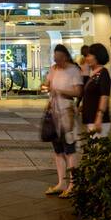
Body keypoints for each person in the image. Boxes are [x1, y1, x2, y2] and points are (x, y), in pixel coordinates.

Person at [43, 44, 84, 197]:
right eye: (55, 58)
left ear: (65, 57)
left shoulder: (73, 70)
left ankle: (73, 184)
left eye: (59, 58)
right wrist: (46, 87)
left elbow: (78, 92)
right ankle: (62, 183)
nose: (56, 61)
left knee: (69, 149)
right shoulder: (54, 69)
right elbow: (47, 84)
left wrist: (60, 91)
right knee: (58, 150)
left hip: (67, 113)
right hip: (53, 112)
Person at [79, 43, 111, 139]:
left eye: (89, 55)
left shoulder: (103, 73)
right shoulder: (94, 74)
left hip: (98, 120)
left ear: (97, 56)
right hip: (91, 118)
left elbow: (104, 96)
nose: (86, 58)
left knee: (97, 146)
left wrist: (99, 116)